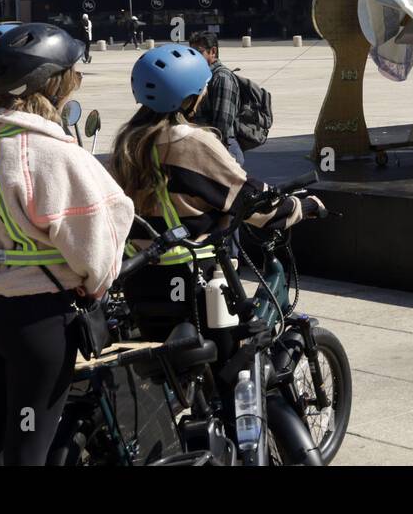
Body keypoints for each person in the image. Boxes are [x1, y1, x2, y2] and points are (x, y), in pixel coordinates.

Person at [0, 23, 133, 466]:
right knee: (28, 446)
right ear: (56, 83)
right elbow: (97, 243)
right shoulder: (54, 151)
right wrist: (94, 284)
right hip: (37, 320)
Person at [107, 44, 322, 341]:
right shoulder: (191, 142)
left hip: (140, 279)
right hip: (194, 274)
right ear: (190, 95)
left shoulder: (127, 144)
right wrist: (301, 207)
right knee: (231, 361)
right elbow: (247, 198)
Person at [188, 31, 243, 165]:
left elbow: (221, 127)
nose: (193, 58)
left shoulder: (222, 78)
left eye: (198, 53)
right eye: (191, 53)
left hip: (222, 151)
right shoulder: (200, 77)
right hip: (204, 147)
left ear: (213, 51)